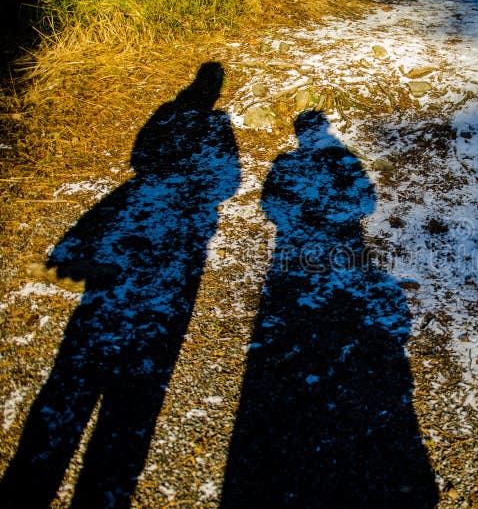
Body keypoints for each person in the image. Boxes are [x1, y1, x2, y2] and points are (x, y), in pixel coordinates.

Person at [0, 62, 240, 508]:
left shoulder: (170, 114)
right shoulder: (208, 123)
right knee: (121, 395)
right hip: (179, 234)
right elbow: (226, 181)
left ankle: (29, 482)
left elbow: (142, 158)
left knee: (67, 386)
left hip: (162, 222)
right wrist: (194, 186)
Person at [221, 111, 437, 508]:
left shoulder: (293, 161)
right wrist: (329, 214)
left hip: (300, 248)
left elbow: (274, 203)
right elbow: (363, 200)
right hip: (326, 245)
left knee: (306, 306)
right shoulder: (337, 159)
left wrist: (303, 217)